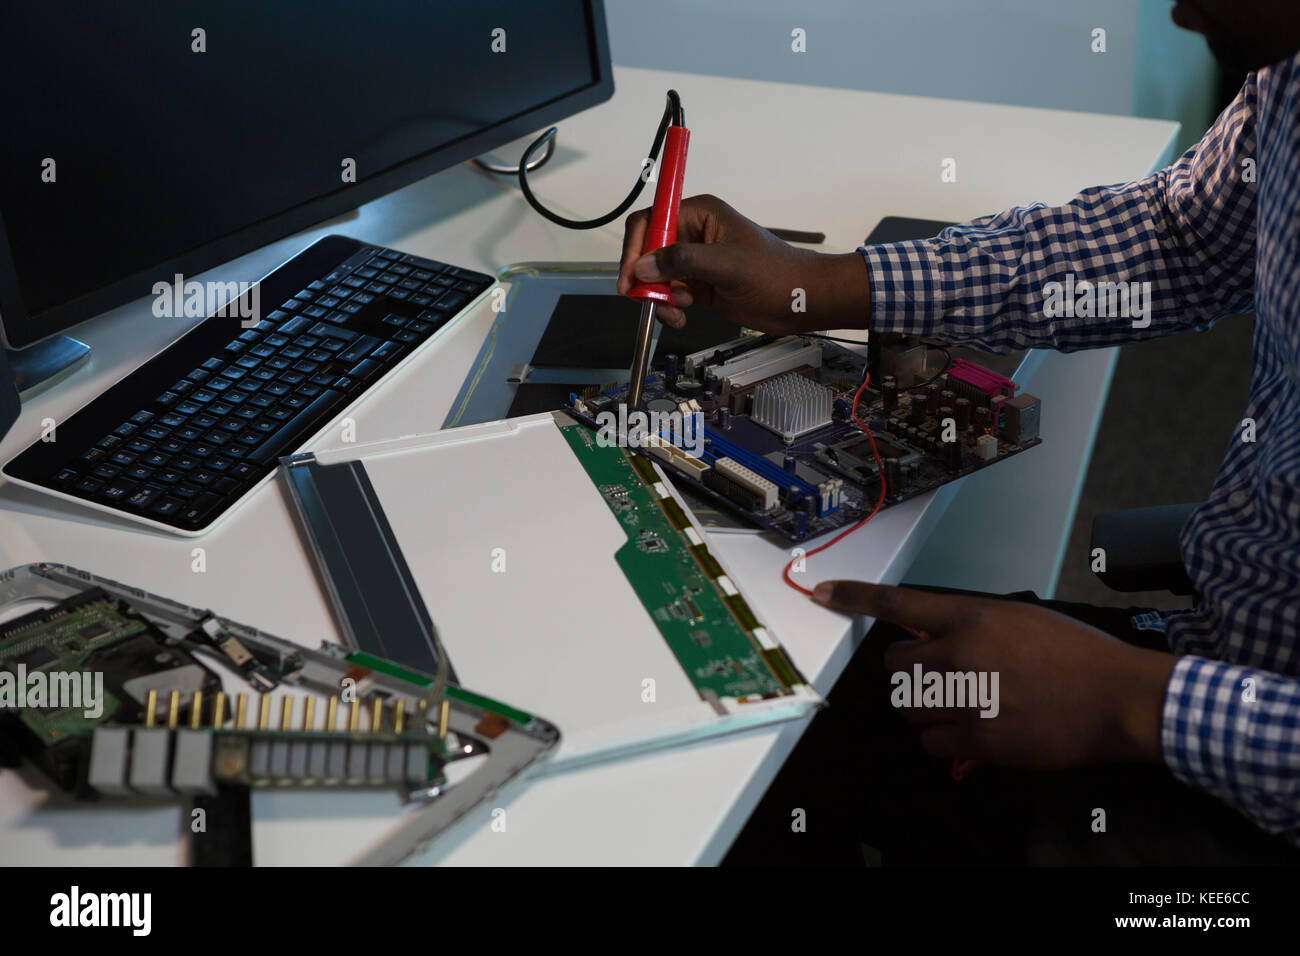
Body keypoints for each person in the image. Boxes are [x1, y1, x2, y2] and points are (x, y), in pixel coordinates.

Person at [616, 1, 1300, 863]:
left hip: (1245, 782)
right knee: (780, 726)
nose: (1178, 9)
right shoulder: (1287, 80)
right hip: (1223, 662)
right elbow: (1175, 238)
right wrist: (815, 285)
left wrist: (1132, 700)